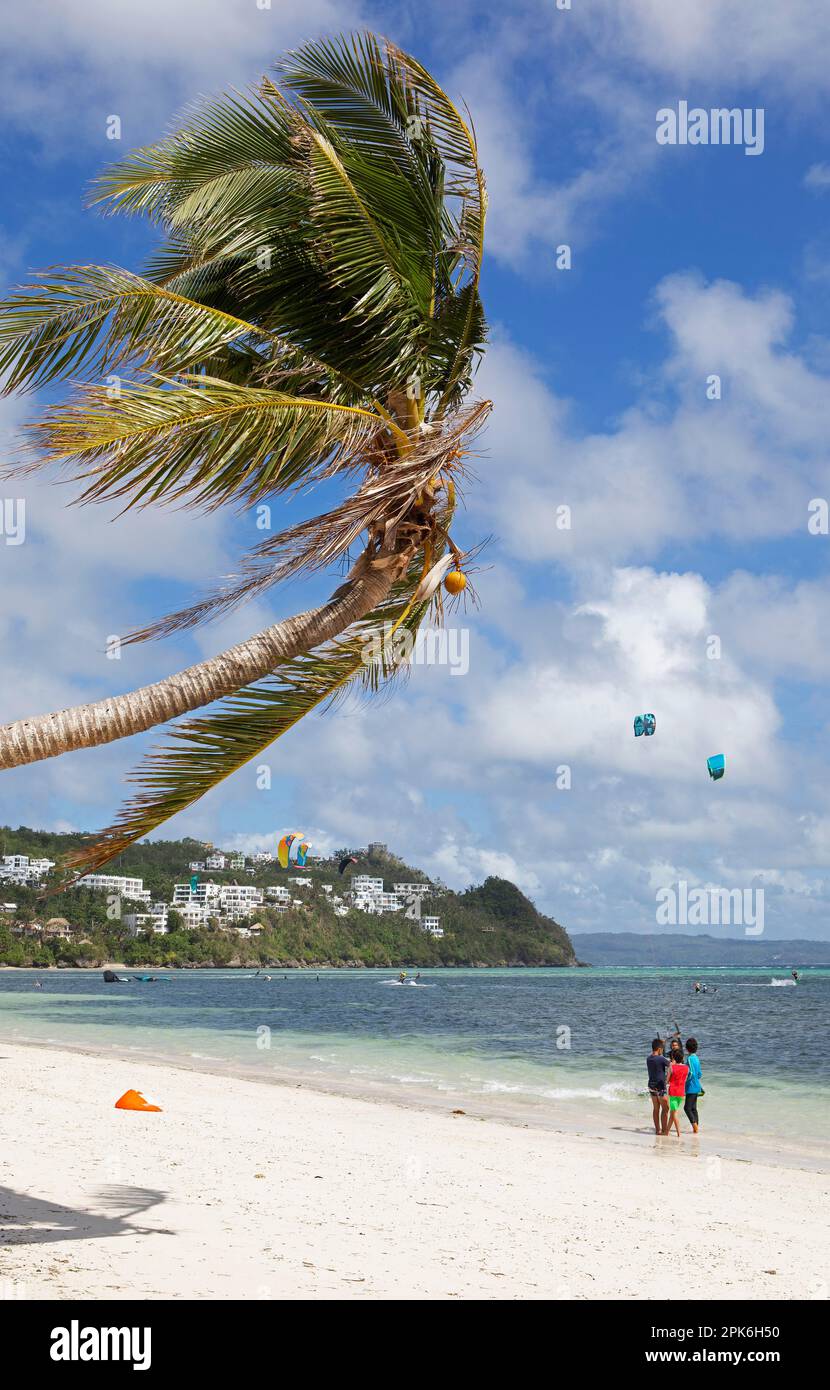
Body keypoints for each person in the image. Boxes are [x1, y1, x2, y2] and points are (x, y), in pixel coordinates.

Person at [646, 1039, 670, 1136]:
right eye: (662, 1049)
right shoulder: (661, 1058)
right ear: (659, 1049)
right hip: (660, 1087)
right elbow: (671, 1066)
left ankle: (658, 1130)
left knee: (656, 1108)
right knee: (666, 1108)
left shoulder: (648, 1058)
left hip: (651, 1086)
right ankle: (664, 1130)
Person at [666, 1045, 690, 1137]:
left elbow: (667, 1080)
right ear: (683, 1057)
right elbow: (686, 1079)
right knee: (673, 1112)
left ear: (673, 1058)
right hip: (681, 1092)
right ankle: (667, 1132)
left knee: (674, 1112)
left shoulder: (671, 1067)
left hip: (673, 1092)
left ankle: (679, 1133)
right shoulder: (686, 1068)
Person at [684, 1036, 703, 1133]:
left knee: (687, 1108)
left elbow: (690, 1073)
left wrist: (685, 1081)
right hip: (697, 1086)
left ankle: (695, 1126)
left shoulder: (690, 1058)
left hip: (691, 1086)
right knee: (693, 1108)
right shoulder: (696, 1058)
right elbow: (700, 1074)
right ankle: (696, 1128)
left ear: (687, 1049)